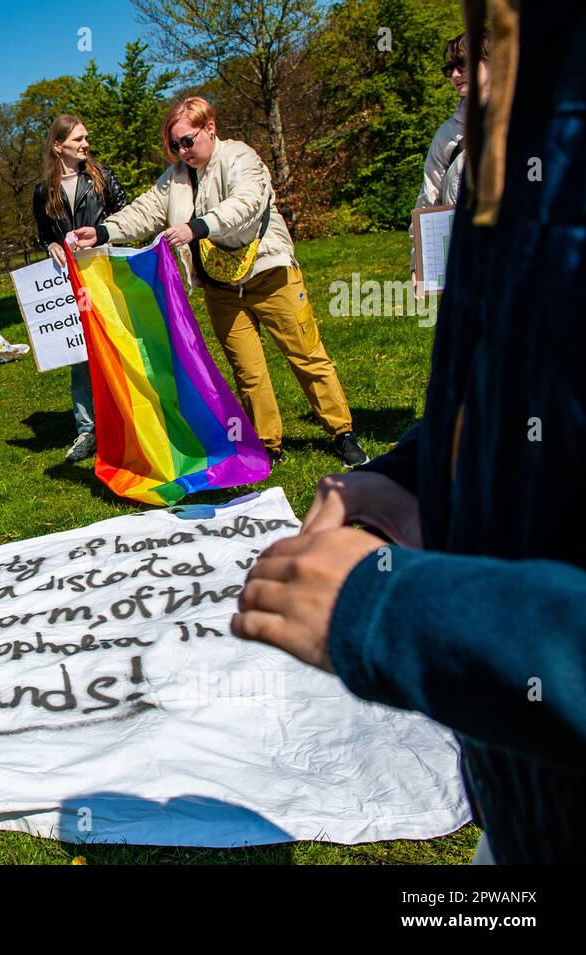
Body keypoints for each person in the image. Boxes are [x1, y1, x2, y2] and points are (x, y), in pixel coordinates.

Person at [232, 6, 586, 864]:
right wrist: (419, 474)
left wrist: (386, 610)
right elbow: (525, 377)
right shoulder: (522, 113)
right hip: (524, 807)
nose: (471, 72)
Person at [74, 97, 368, 468]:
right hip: (221, 288)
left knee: (307, 356)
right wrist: (102, 231)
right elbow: (145, 210)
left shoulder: (241, 158)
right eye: (175, 145)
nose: (182, 151)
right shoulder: (177, 178)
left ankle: (343, 433)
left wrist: (196, 228)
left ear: (210, 129)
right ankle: (268, 444)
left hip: (269, 273)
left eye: (188, 141)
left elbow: (245, 205)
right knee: (248, 370)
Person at [32, 115, 129, 464]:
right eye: (78, 139)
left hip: (106, 274)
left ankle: (128, 417)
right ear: (59, 146)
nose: (85, 144)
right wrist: (50, 247)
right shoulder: (44, 190)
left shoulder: (102, 178)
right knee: (81, 356)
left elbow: (127, 217)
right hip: (71, 283)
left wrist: (106, 237)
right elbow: (44, 234)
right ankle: (87, 430)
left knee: (118, 344)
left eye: (86, 138)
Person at [411, 29, 491, 297]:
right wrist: (418, 263)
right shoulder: (448, 134)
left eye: (463, 64)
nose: (455, 75)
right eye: (450, 69)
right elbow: (428, 197)